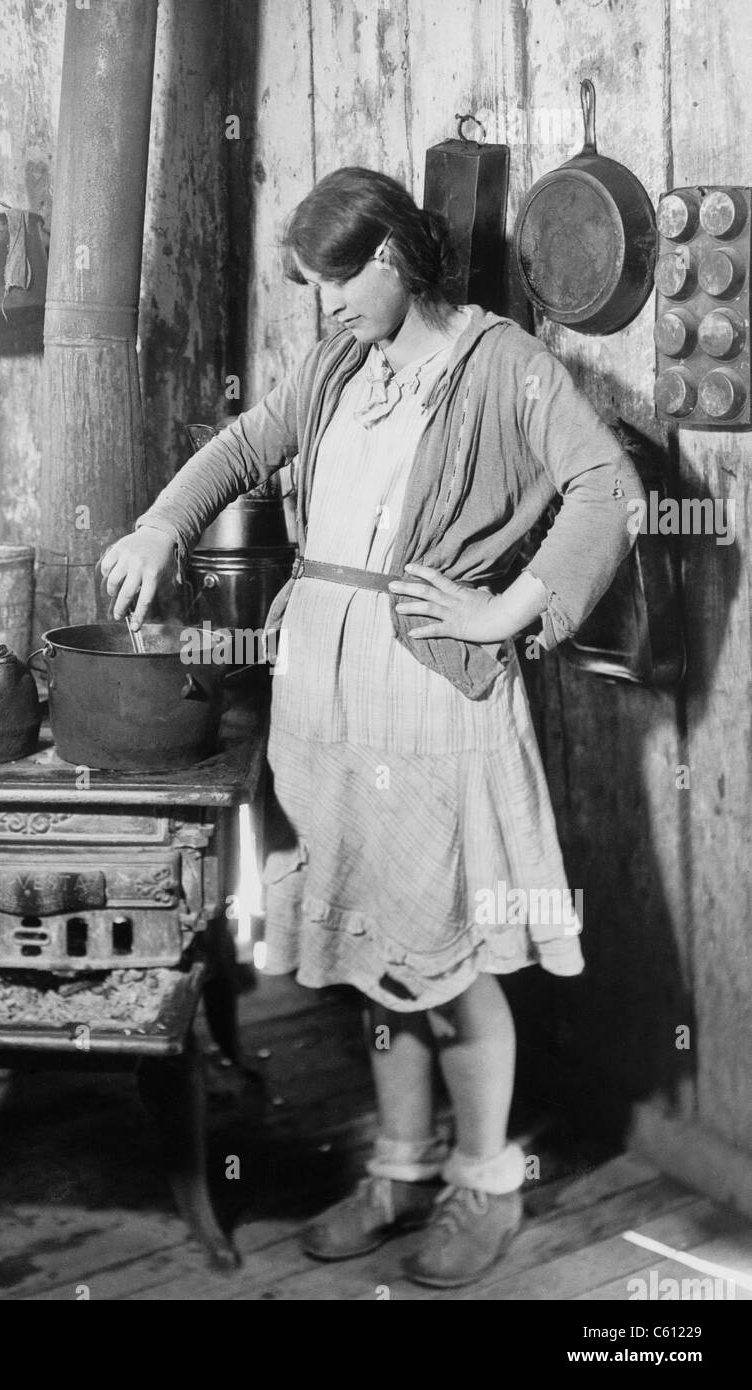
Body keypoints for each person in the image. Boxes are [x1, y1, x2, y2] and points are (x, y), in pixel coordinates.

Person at [100, 166, 643, 1288]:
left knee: (443, 958)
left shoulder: (504, 366)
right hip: (325, 693)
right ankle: (398, 1170)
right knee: (367, 958)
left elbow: (609, 490)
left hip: (428, 692)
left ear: (391, 260)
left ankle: (485, 1183)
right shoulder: (344, 362)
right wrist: (161, 524)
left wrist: (502, 608)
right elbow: (249, 443)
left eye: (336, 285)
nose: (325, 308)